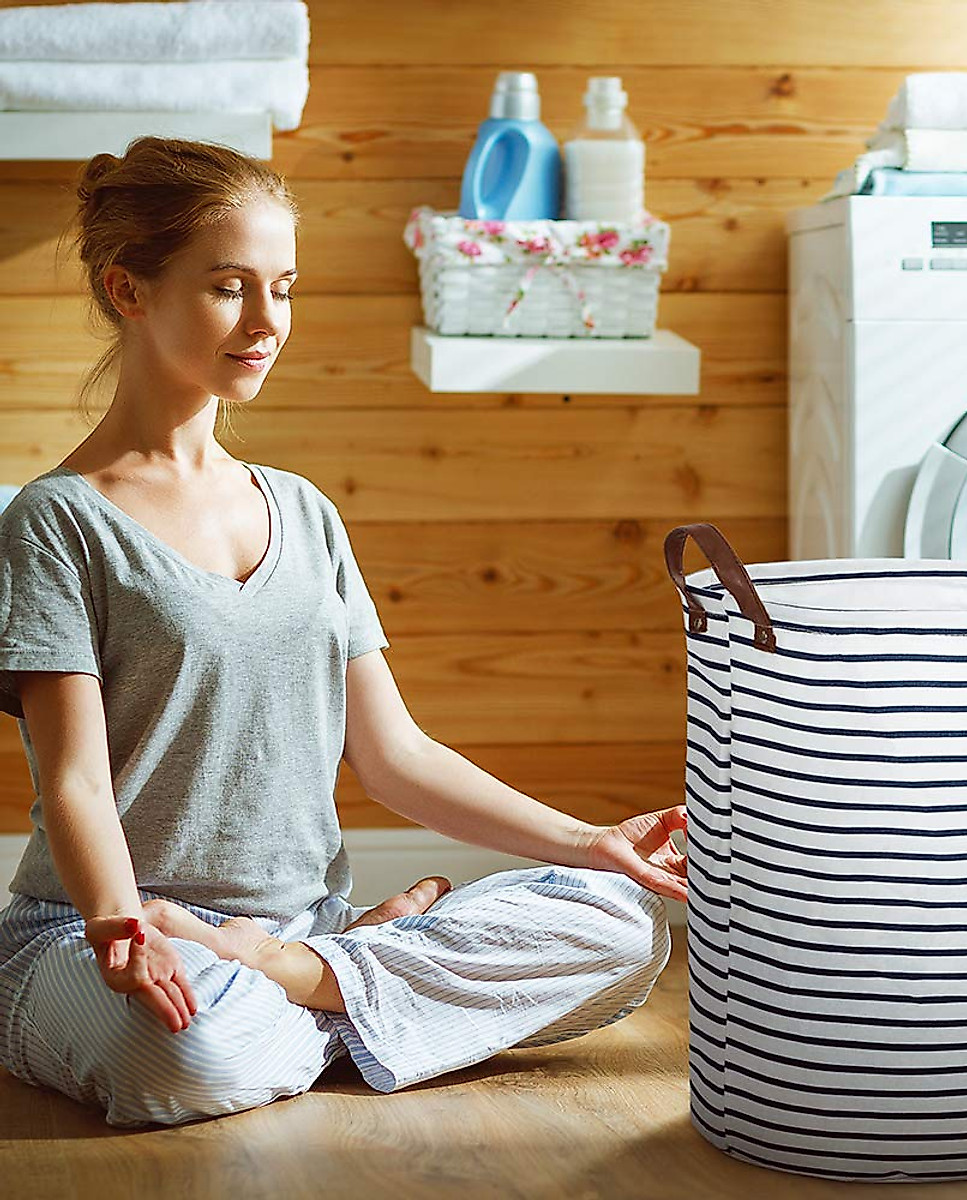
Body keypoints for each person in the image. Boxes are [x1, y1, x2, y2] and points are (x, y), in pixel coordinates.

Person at [0, 137, 685, 1128]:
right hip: (108, 928)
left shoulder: (306, 513)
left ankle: (305, 976)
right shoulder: (56, 521)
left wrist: (594, 841)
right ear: (129, 289)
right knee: (186, 1051)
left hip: (299, 929)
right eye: (230, 287)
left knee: (621, 929)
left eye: (284, 287)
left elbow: (395, 757)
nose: (268, 322)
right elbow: (73, 781)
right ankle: (355, 996)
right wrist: (121, 928)